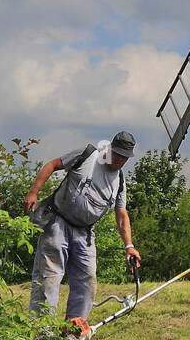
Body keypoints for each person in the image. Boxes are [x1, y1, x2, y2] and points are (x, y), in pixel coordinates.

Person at [23, 131, 141, 322]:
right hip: (58, 223)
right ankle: (41, 330)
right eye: (118, 155)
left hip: (85, 233)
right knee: (48, 278)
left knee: (87, 282)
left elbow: (121, 215)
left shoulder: (119, 181)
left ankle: (74, 329)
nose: (120, 161)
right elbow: (52, 165)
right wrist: (33, 192)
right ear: (110, 149)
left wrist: (129, 246)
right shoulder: (87, 155)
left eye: (125, 158)